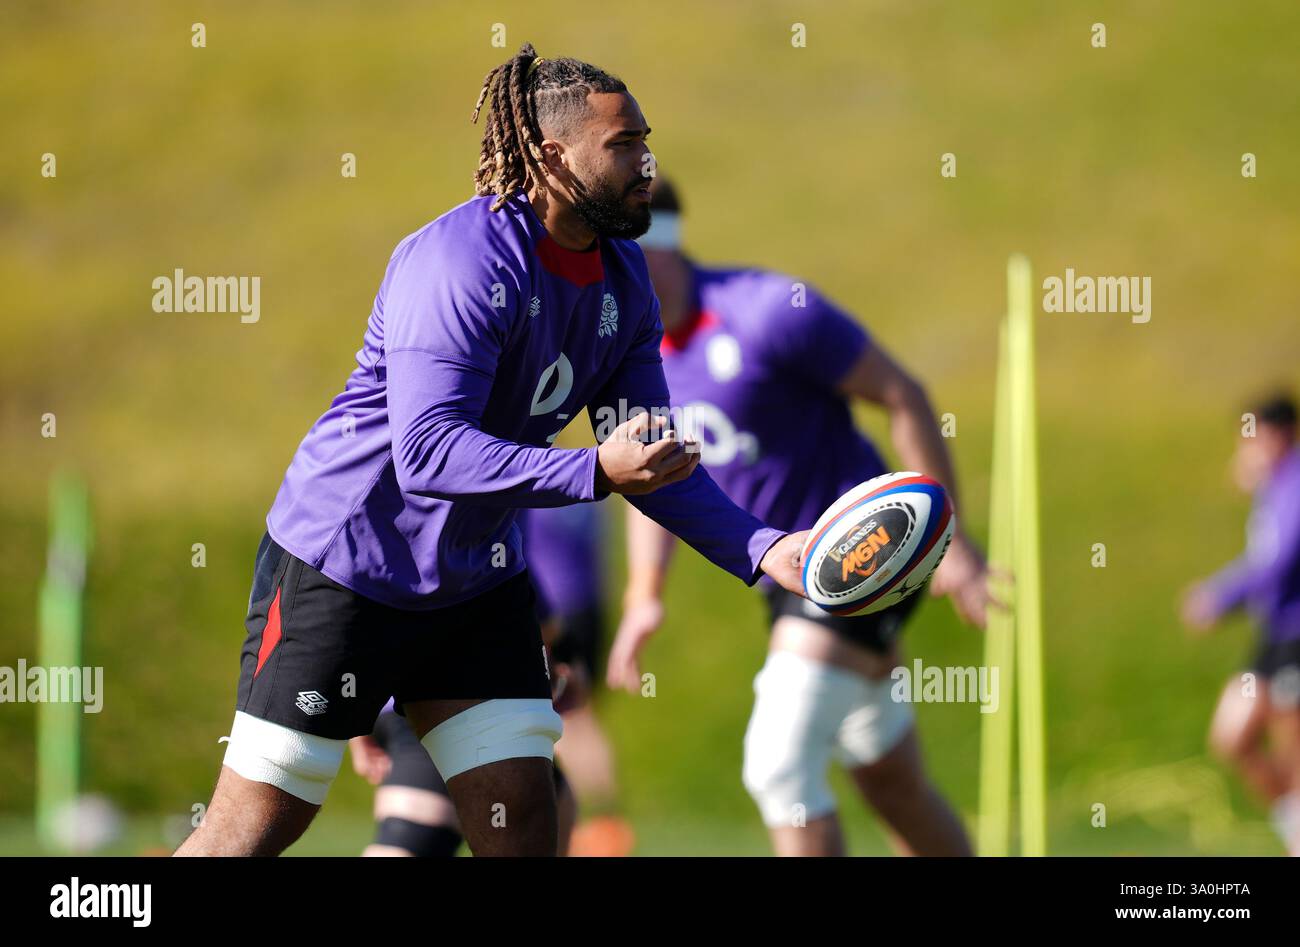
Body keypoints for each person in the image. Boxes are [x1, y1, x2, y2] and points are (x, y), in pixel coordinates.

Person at [175, 43, 807, 858]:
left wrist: (766, 548)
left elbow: (650, 457)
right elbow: (428, 454)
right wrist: (592, 471)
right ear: (553, 156)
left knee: (524, 817)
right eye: (623, 145)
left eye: (646, 140)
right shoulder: (461, 262)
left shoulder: (625, 280)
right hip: (347, 563)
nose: (646, 163)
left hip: (475, 581)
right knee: (250, 833)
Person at [606, 176, 996, 856]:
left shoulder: (769, 312)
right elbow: (653, 476)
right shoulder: (631, 358)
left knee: (778, 763)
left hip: (867, 549)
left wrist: (952, 538)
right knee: (889, 778)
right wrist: (645, 596)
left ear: (657, 248)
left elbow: (903, 393)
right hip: (788, 576)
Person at [1182, 394, 1300, 855]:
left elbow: (1277, 562)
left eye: (1251, 436)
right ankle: (1291, 821)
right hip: (1273, 636)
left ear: (1276, 434)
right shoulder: (1275, 485)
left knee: (1292, 751)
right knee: (1232, 735)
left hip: (1297, 638)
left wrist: (1219, 596)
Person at [518, 505, 636, 855]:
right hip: (589, 609)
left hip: (552, 613)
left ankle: (600, 827)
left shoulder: (533, 486)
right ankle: (601, 822)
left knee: (568, 718)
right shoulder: (588, 495)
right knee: (577, 714)